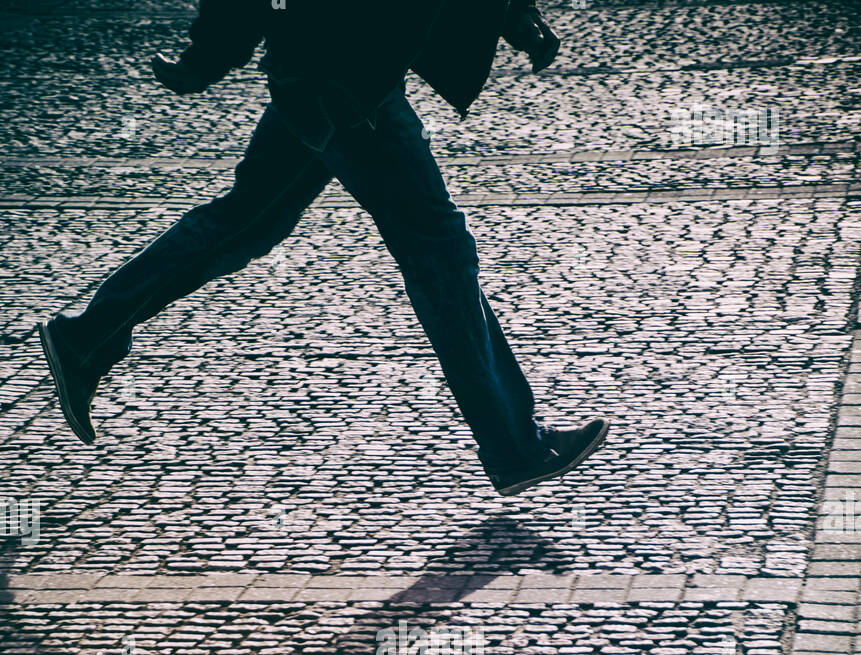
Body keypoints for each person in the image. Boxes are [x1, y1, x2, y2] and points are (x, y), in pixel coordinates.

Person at [38, 0, 608, 497]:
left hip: (337, 75)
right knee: (439, 251)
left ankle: (87, 334)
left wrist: (513, 13)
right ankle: (513, 446)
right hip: (344, 85)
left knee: (249, 222)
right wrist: (208, 55)